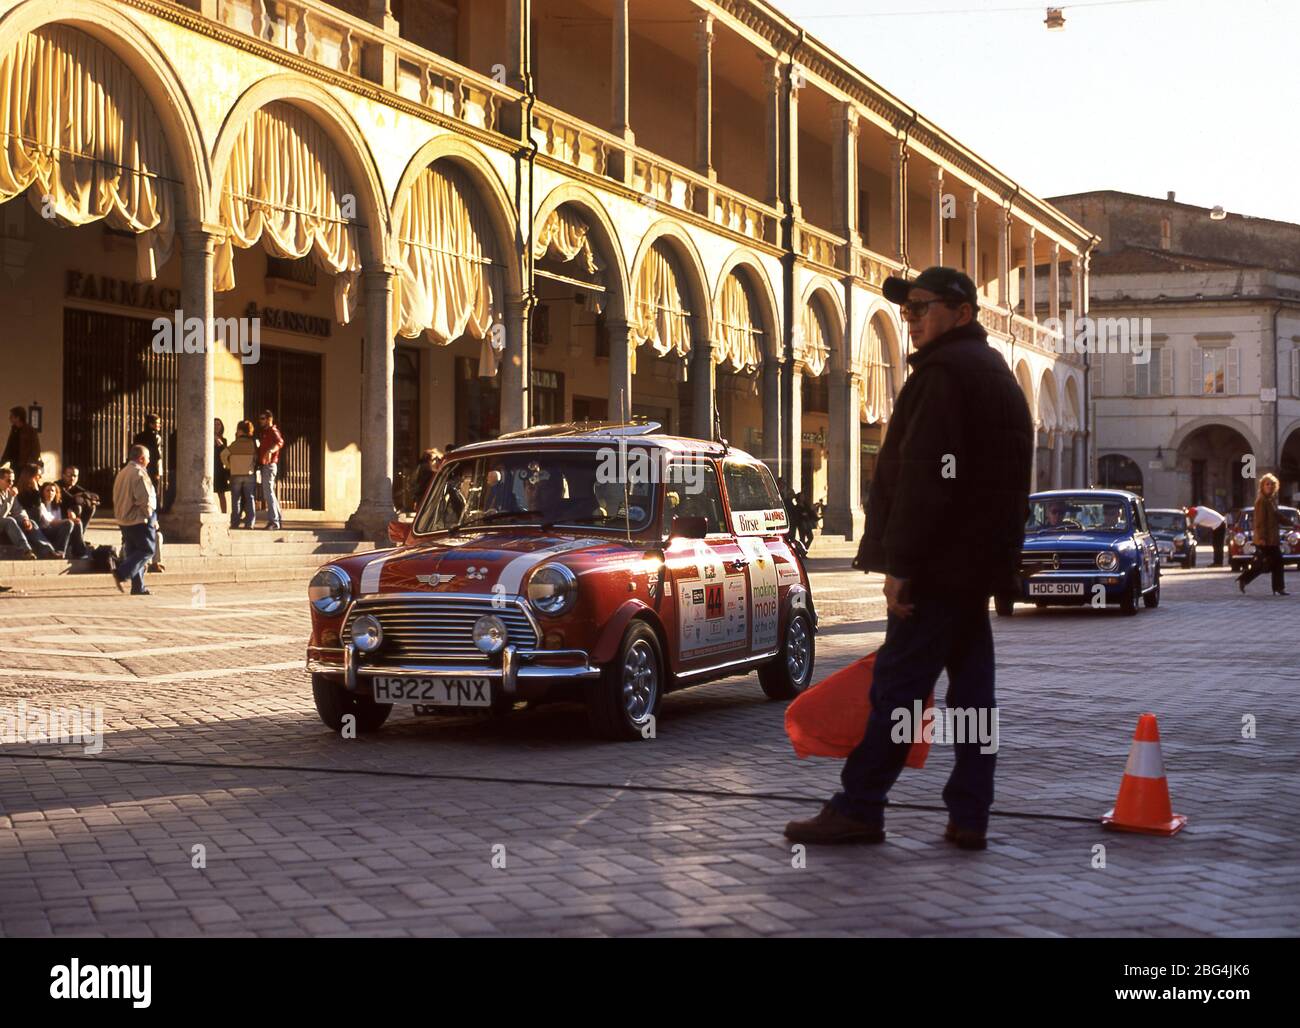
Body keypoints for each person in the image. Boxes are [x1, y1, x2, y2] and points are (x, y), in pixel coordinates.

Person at [786, 266, 1033, 851]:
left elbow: (928, 480)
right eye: (907, 308)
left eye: (922, 307)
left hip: (938, 571)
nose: (911, 317)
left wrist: (903, 567)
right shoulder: (996, 375)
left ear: (962, 312)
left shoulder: (944, 375)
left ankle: (860, 806)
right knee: (974, 698)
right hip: (973, 571)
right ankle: (970, 814)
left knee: (897, 691)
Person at [112, 445, 157, 595]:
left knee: (133, 553)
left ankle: (138, 586)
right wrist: (150, 515)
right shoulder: (138, 473)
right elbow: (145, 498)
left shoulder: (122, 473)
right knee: (147, 549)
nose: (150, 460)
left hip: (124, 519)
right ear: (141, 458)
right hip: (138, 519)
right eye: (148, 457)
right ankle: (122, 572)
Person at [1237, 473, 1287, 596]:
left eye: (1272, 484)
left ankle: (1278, 588)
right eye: (1267, 484)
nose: (1269, 486)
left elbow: (1278, 516)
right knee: (1263, 564)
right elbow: (1259, 522)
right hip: (1265, 540)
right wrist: (1262, 538)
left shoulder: (1271, 500)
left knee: (1274, 563)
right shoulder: (1261, 501)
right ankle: (1245, 579)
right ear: (1262, 486)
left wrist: (1292, 523)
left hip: (1272, 539)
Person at [0, 466, 57, 558]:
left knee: (31, 522)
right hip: (3, 522)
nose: (11, 484)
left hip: (5, 523)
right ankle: (26, 551)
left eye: (13, 481)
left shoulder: (8, 492)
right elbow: (1, 515)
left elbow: (19, 510)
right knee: (9, 520)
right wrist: (10, 497)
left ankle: (49, 551)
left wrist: (25, 519)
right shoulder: (10, 494)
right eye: (8, 481)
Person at [34, 482, 89, 559]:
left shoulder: (57, 506)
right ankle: (60, 551)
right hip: (46, 532)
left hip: (58, 531)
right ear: (43, 492)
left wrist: (72, 517)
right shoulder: (40, 505)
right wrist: (69, 520)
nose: (50, 493)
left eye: (53, 491)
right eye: (47, 490)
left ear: (56, 493)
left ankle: (79, 552)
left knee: (77, 523)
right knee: (69, 523)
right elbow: (50, 522)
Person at [221, 420, 259, 529]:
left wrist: (229, 465)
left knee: (236, 499)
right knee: (250, 498)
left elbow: (223, 455)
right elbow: (256, 458)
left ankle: (235, 523)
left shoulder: (235, 444)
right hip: (249, 474)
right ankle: (250, 523)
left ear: (240, 430)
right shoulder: (252, 443)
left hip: (236, 474)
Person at [255, 409, 285, 530]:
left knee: (269, 494)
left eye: (263, 418)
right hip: (265, 466)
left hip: (270, 465)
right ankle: (277, 520)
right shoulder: (265, 433)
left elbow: (280, 442)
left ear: (269, 419)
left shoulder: (273, 431)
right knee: (270, 493)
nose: (260, 421)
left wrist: (270, 451)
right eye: (260, 418)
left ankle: (274, 522)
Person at [133, 414, 164, 509]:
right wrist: (158, 472)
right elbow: (158, 456)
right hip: (152, 468)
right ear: (151, 424)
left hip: (140, 466)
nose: (160, 425)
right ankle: (154, 512)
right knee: (153, 491)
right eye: (158, 423)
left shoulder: (138, 436)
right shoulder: (156, 437)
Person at [411, 448, 442, 512]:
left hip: (424, 499)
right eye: (434, 459)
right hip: (425, 499)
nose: (436, 461)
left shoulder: (423, 468)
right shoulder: (426, 469)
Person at [213, 418, 230, 516]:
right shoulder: (207, 439)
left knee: (221, 493)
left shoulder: (223, 440)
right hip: (210, 468)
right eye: (214, 424)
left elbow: (226, 453)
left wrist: (220, 443)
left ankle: (224, 514)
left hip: (219, 469)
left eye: (218, 424)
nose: (216, 426)